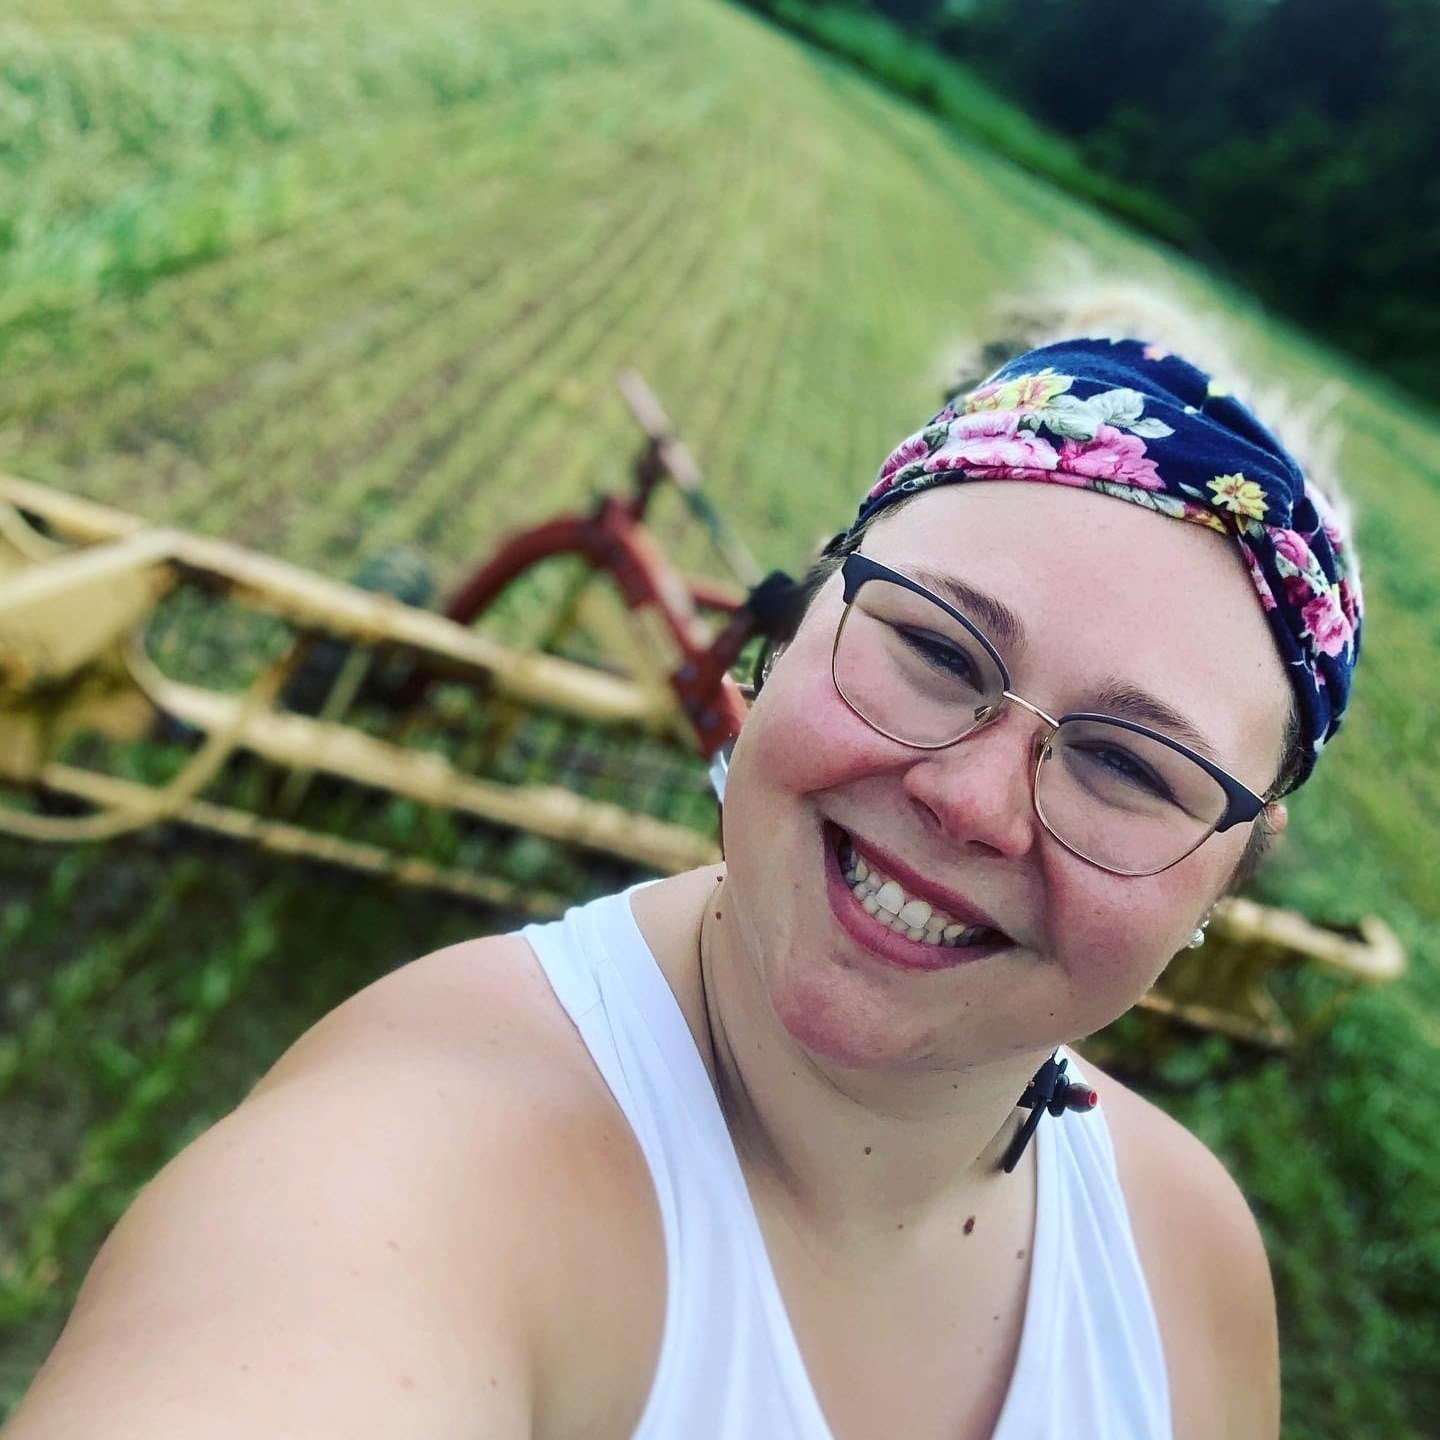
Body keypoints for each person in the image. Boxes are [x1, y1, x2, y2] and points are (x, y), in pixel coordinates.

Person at [3, 323, 1362, 1440]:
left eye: (1129, 767)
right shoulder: (414, 1178)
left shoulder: (1192, 1266)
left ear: (1219, 896)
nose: (968, 799)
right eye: (935, 651)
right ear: (793, 629)